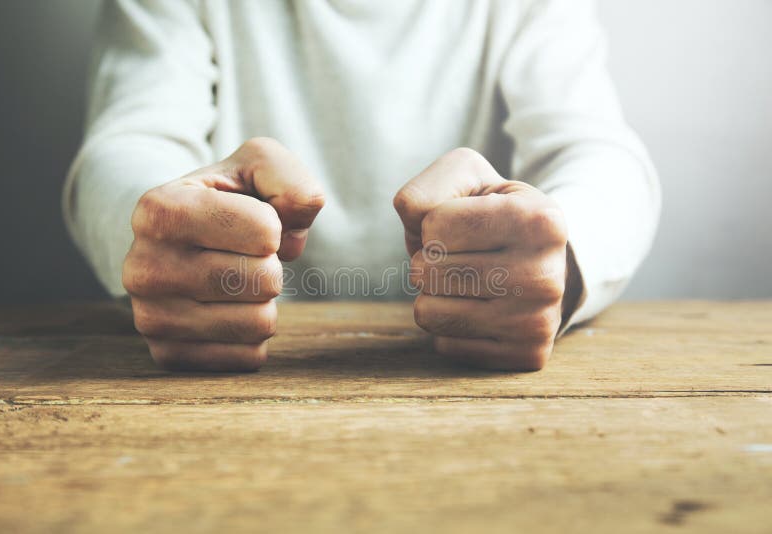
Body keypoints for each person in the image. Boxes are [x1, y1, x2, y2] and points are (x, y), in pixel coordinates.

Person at [63, 0, 660, 372]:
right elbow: (130, 141)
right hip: (231, 384)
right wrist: (158, 229)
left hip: (472, 386)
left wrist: (564, 260)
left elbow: (594, 148)